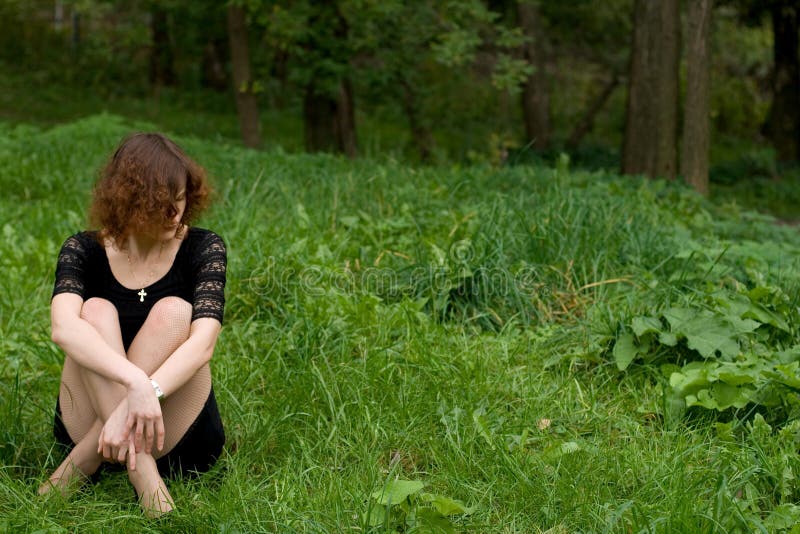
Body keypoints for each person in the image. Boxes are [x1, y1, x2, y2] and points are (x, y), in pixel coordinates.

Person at [39, 132, 227, 517]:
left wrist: (151, 389)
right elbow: (62, 328)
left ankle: (82, 462)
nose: (176, 217)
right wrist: (135, 382)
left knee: (175, 311)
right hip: (90, 412)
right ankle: (143, 473)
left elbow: (203, 344)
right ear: (129, 204)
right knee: (92, 312)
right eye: (163, 207)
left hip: (173, 429)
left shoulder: (204, 247)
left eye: (181, 203)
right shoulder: (83, 249)